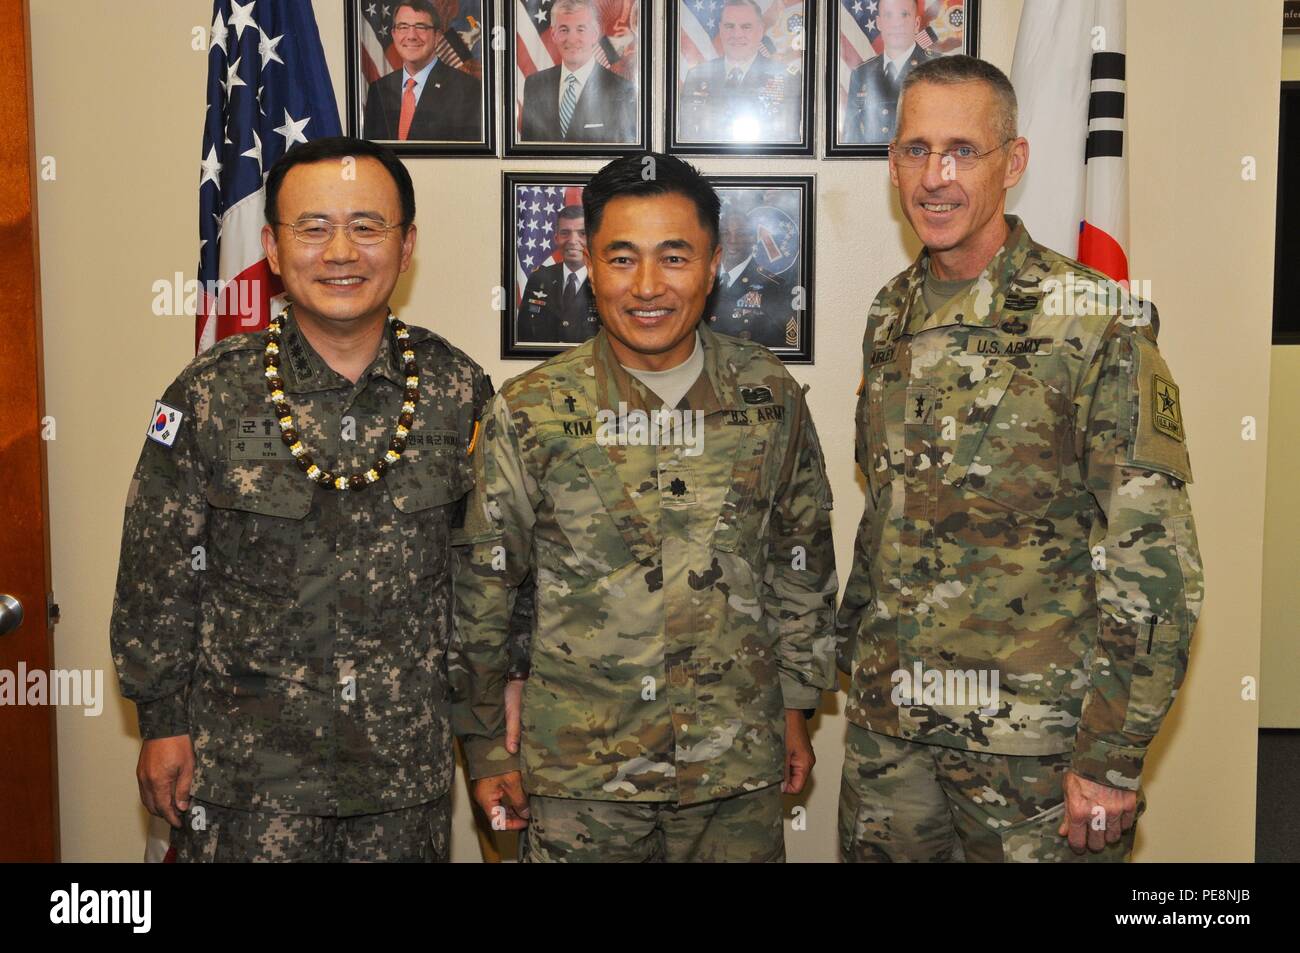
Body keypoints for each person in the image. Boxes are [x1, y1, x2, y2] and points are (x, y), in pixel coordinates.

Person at [835, 55, 1203, 862]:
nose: (936, 176)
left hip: (1033, 755)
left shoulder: (1096, 323)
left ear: (1016, 161)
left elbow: (1157, 567)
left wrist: (1110, 760)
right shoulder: (888, 313)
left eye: (963, 150)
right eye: (914, 150)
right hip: (891, 738)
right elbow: (886, 511)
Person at [110, 136, 518, 862]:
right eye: (313, 227)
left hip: (402, 783)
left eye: (367, 226)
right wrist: (162, 717)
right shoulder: (207, 394)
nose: (341, 252)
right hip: (241, 782)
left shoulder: (459, 392)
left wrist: (488, 737)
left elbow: (489, 583)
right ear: (270, 245)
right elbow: (157, 572)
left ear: (406, 244)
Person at [452, 152, 838, 862]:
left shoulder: (766, 394)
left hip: (734, 764)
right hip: (580, 775)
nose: (649, 286)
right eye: (622, 259)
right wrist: (483, 742)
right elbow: (486, 585)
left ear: (715, 263)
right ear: (589, 265)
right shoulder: (532, 409)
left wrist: (795, 703)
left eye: (675, 257)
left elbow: (800, 557)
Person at [680, 0, 801, 143]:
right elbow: (686, 138)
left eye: (746, 27)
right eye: (729, 26)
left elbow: (788, 140)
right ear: (720, 29)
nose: (737, 34)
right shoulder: (697, 76)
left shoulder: (787, 78)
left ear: (761, 30)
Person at [362, 0, 482, 143]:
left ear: (437, 36)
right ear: (394, 34)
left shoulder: (467, 89)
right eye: (403, 27)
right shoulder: (379, 90)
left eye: (421, 27)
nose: (411, 36)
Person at [520, 0, 637, 144]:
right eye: (564, 29)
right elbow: (527, 153)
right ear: (553, 34)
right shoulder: (534, 85)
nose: (572, 39)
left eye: (581, 29)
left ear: (594, 34)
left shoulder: (621, 90)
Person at [842, 0, 935, 145]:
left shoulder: (938, 68)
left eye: (904, 15)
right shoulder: (861, 73)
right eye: (888, 15)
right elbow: (851, 136)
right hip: (867, 164)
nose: (896, 24)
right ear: (879, 23)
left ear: (916, 24)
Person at [707, 206, 792, 347]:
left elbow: (779, 343)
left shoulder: (773, 286)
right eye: (725, 233)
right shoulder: (702, 279)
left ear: (752, 239)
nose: (732, 240)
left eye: (740, 233)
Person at [517, 206, 599, 344]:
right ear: (556, 238)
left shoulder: (605, 281)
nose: (573, 240)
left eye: (582, 233)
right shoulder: (538, 279)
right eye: (565, 233)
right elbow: (522, 335)